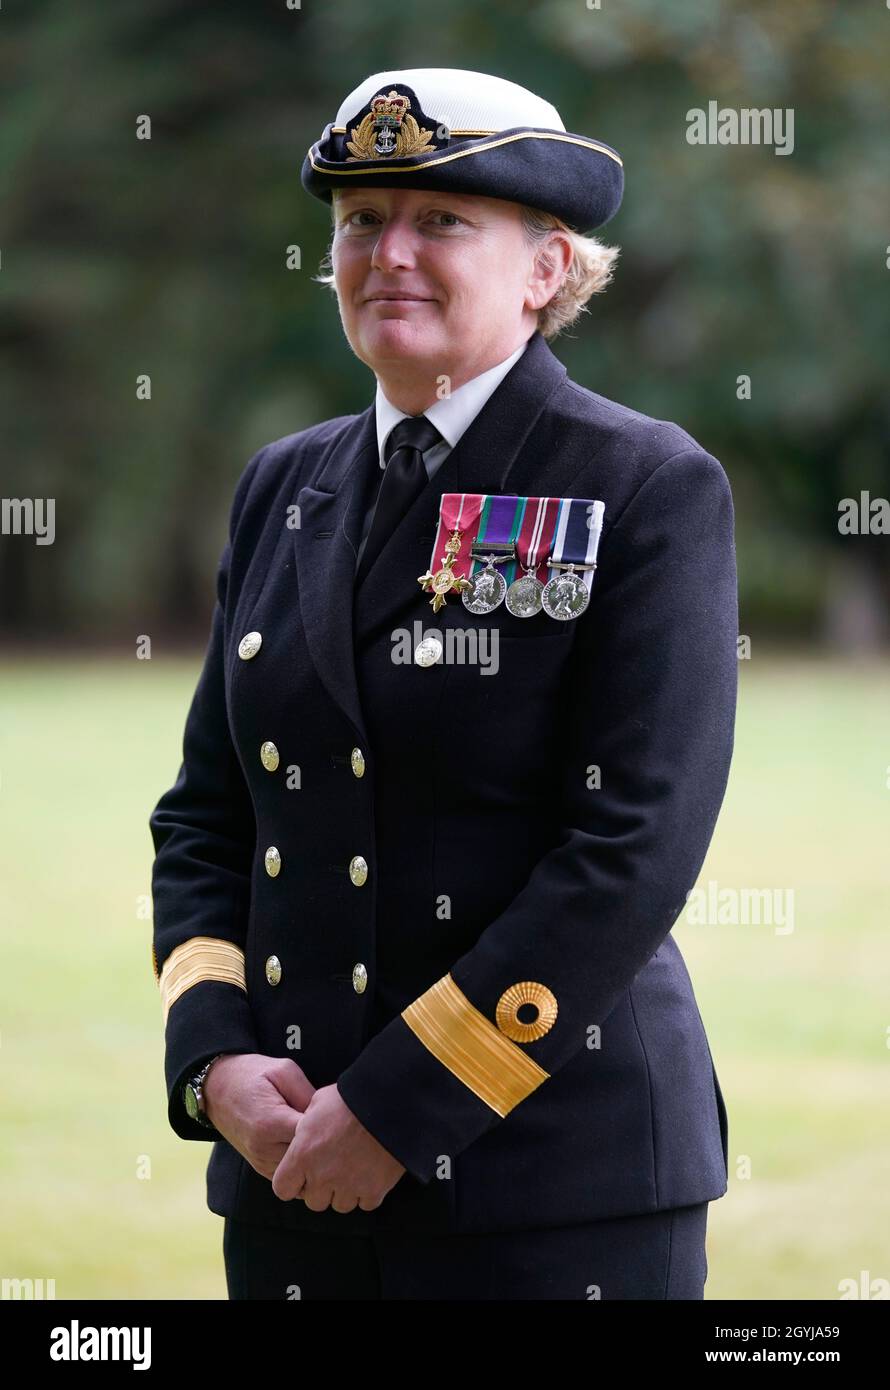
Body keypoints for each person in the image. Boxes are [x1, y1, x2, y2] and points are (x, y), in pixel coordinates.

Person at [149, 66, 737, 1301]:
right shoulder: (282, 485)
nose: (388, 252)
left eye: (440, 221)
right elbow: (207, 814)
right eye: (360, 221)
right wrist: (213, 1061)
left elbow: (628, 848)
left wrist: (402, 1104)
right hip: (291, 1169)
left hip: (550, 1190)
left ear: (544, 269)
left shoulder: (641, 483)